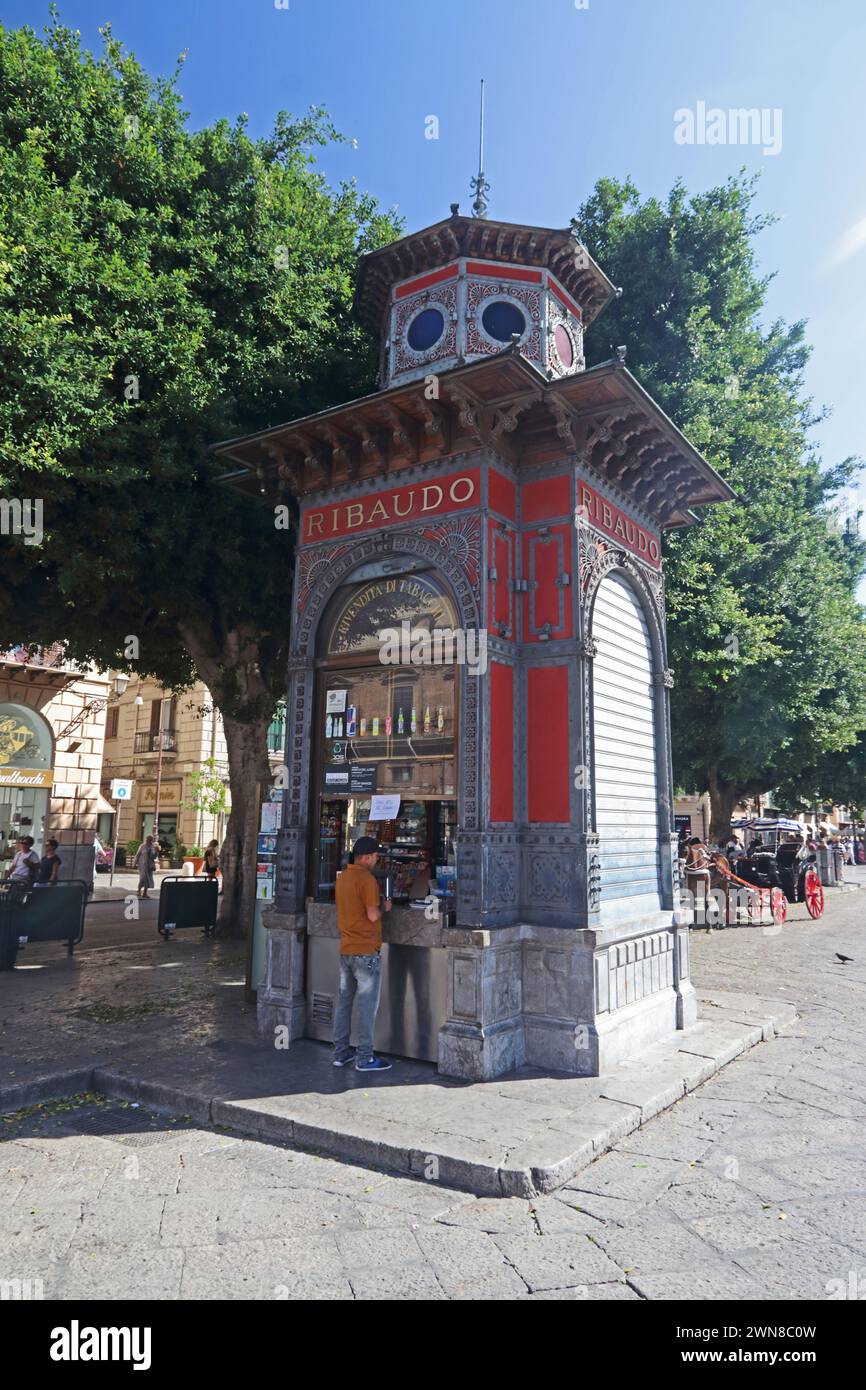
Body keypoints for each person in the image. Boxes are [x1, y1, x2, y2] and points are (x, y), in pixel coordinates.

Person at [332, 836, 392, 1073]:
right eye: (376, 856)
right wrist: (385, 907)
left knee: (344, 1003)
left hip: (346, 949)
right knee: (367, 1006)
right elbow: (372, 916)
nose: (377, 860)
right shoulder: (367, 880)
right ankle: (364, 1058)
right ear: (367, 857)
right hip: (366, 951)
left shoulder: (343, 877)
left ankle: (340, 1052)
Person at [133, 834, 158, 899]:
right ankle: (138, 890)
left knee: (148, 879)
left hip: (149, 865)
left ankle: (145, 892)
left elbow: (154, 857)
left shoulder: (152, 847)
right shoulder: (142, 846)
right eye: (148, 839)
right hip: (142, 864)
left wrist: (156, 852)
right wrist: (134, 863)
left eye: (150, 840)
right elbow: (137, 855)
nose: (149, 841)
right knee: (143, 878)